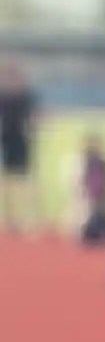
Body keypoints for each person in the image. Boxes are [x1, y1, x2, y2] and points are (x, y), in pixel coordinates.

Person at [0, 61, 41, 234]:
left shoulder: (27, 96)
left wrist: (34, 127)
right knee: (7, 181)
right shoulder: (3, 96)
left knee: (25, 180)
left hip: (23, 140)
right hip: (6, 140)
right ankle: (10, 219)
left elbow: (35, 116)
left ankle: (28, 218)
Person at [66, 130, 105, 245]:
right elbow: (78, 194)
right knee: (85, 227)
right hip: (84, 210)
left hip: (100, 209)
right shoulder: (78, 165)